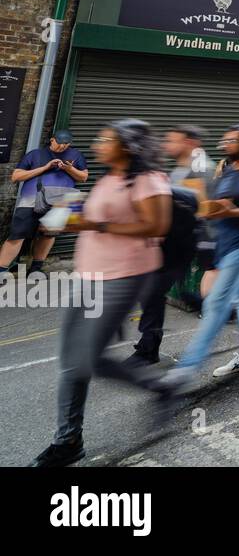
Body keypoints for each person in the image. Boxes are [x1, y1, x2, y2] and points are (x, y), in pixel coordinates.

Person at [28, 120, 171, 467]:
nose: (99, 144)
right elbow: (95, 220)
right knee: (71, 361)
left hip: (121, 277)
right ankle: (69, 440)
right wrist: (71, 216)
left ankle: (159, 389)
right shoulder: (108, 178)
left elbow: (157, 225)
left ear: (129, 146)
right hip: (87, 274)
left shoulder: (149, 180)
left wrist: (96, 224)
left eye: (108, 140)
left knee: (86, 359)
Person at [158, 124, 239, 394]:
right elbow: (214, 203)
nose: (225, 144)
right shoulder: (228, 168)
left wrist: (234, 212)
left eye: (232, 141)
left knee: (215, 302)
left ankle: (184, 371)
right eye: (224, 140)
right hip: (227, 244)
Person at [129, 125, 211, 366]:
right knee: (156, 290)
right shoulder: (177, 171)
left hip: (189, 241)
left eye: (172, 141)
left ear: (189, 143)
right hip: (171, 241)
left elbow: (202, 206)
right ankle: (211, 305)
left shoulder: (199, 170)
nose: (167, 145)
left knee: (153, 290)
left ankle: (148, 349)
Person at [5, 129, 89, 276]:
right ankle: (1, 269)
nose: (62, 147)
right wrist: (45, 167)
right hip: (30, 199)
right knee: (17, 235)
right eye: (59, 143)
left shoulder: (76, 155)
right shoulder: (35, 154)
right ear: (52, 140)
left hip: (62, 201)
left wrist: (69, 169)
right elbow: (16, 176)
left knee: (49, 234)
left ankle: (36, 269)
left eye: (66, 144)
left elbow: (83, 177)